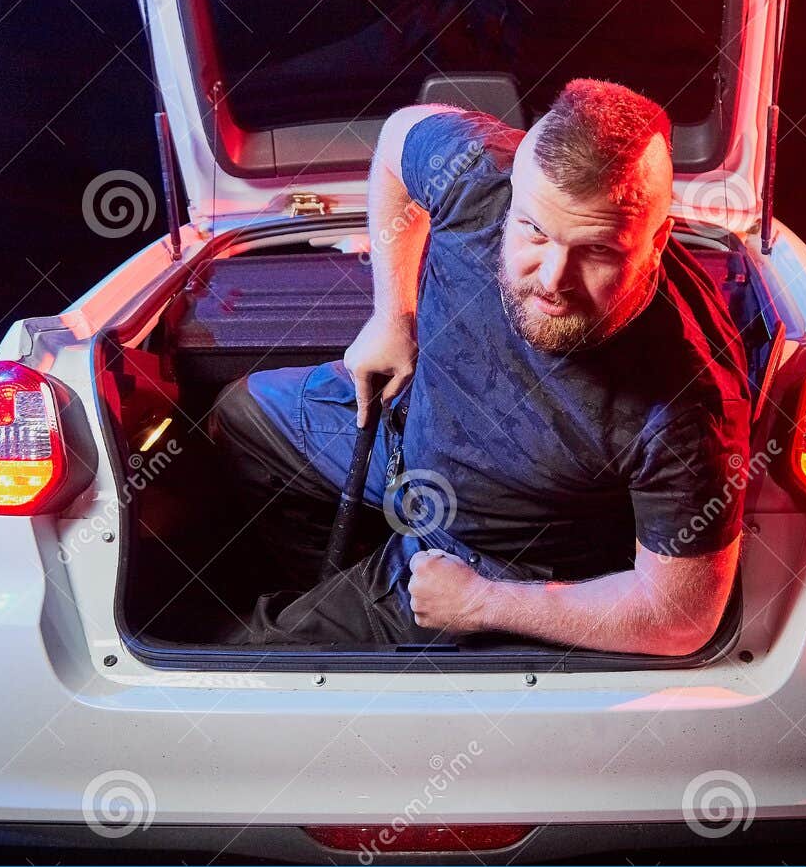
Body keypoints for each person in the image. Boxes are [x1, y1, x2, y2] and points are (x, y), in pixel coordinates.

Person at [210, 79, 750, 654]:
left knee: (241, 661)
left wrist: (480, 601)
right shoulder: (476, 177)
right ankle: (325, 581)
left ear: (657, 240)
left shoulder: (686, 407)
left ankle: (356, 611)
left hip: (489, 559)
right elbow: (397, 138)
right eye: (533, 232)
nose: (552, 279)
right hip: (406, 435)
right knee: (239, 415)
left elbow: (681, 617)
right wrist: (394, 316)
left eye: (597, 250)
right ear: (512, 192)